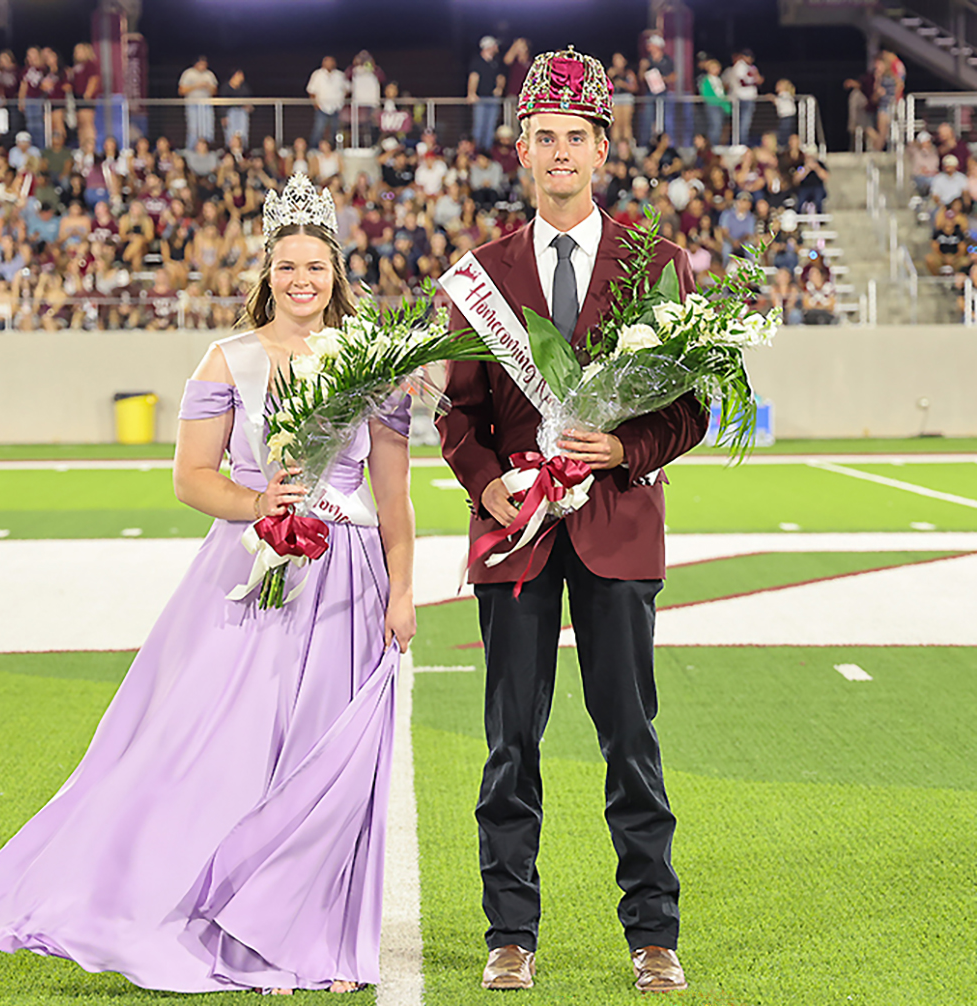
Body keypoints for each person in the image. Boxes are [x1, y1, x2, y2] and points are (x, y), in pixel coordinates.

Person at [0, 172, 416, 993]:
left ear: (338, 272)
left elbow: (394, 499)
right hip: (253, 572)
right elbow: (190, 477)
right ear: (265, 273)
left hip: (347, 582)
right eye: (286, 267)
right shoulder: (228, 357)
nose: (301, 281)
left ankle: (311, 942)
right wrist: (258, 502)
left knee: (325, 765)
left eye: (316, 266)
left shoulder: (374, 357)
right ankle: (232, 930)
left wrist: (403, 590)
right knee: (232, 751)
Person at [436, 45, 705, 996]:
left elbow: (689, 409)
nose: (558, 153)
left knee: (630, 737)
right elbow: (456, 413)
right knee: (512, 739)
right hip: (517, 532)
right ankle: (511, 931)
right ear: (521, 152)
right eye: (542, 137)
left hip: (617, 526)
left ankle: (654, 932)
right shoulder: (481, 275)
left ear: (601, 149)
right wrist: (486, 485)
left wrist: (622, 452)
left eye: (574, 138)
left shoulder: (656, 262)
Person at [467, 35, 506, 154]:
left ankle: (486, 153)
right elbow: (474, 77)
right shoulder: (477, 61)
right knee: (479, 128)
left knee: (490, 128)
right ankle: (476, 153)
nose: (496, 47)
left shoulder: (496, 62)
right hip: (481, 99)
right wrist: (471, 93)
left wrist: (499, 88)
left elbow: (501, 77)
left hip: (492, 99)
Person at [639, 34, 675, 145]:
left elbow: (674, 75)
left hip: (664, 93)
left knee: (666, 119)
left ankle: (667, 142)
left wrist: (664, 79)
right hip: (650, 94)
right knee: (648, 118)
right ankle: (646, 142)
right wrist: (642, 68)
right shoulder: (647, 61)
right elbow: (641, 78)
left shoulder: (667, 60)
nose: (649, 47)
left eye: (651, 45)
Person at [307, 55, 348, 150]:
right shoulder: (317, 74)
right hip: (322, 107)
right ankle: (313, 149)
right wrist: (316, 105)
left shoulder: (340, 75)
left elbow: (347, 89)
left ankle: (333, 149)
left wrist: (341, 102)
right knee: (319, 129)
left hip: (336, 108)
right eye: (327, 62)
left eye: (331, 62)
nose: (329, 64)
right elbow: (311, 91)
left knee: (335, 130)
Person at [178, 56, 218, 151]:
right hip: (192, 104)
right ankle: (192, 149)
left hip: (206, 104)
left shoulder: (209, 74)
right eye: (201, 63)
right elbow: (181, 90)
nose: (203, 66)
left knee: (208, 128)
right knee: (193, 129)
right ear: (196, 64)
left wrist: (208, 87)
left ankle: (208, 148)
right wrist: (196, 86)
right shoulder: (188, 73)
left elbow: (215, 91)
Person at [220, 68, 253, 150]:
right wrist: (223, 116)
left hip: (241, 113)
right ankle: (230, 147)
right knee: (231, 129)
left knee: (242, 116)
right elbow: (222, 103)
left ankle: (243, 146)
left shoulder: (244, 88)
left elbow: (248, 101)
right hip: (230, 114)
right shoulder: (225, 88)